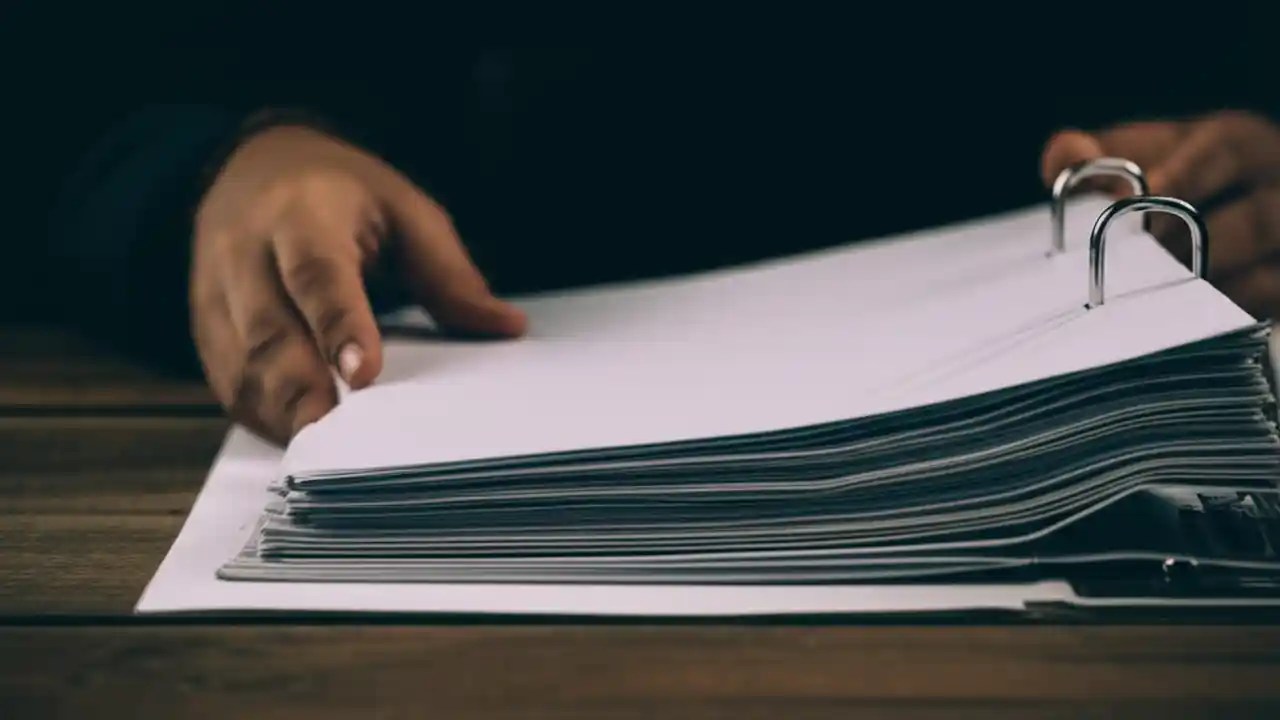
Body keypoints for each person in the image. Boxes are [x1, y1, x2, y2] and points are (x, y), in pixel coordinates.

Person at [7, 5, 1280, 445]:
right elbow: (63, 96)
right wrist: (210, 168)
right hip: (436, 333)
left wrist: (1242, 165)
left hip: (1049, 369)